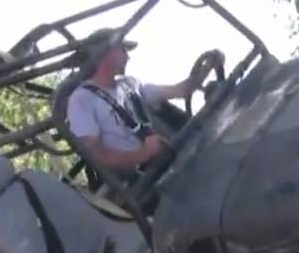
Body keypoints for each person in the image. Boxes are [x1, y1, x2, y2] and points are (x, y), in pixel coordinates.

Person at [66, 28, 212, 176]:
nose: (128, 57)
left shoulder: (129, 83)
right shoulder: (81, 99)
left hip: (170, 160)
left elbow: (179, 91)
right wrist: (143, 154)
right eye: (123, 50)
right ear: (106, 54)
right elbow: (95, 155)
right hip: (141, 179)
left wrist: (204, 70)